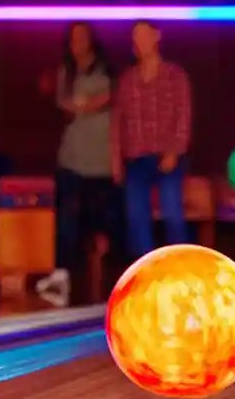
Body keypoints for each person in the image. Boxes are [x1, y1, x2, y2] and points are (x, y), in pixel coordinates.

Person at [36, 22, 118, 306]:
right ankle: (61, 275)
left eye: (82, 38)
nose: (77, 44)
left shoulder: (106, 70)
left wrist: (86, 103)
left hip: (101, 160)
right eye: (73, 39)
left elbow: (108, 98)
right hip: (71, 158)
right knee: (67, 219)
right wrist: (78, 104)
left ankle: (108, 283)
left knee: (101, 223)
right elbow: (63, 104)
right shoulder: (66, 72)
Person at [112, 20, 193, 260]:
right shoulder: (127, 80)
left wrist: (174, 152)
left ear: (157, 36)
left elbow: (183, 116)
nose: (139, 42)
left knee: (173, 213)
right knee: (136, 216)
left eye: (144, 36)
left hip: (166, 156)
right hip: (136, 158)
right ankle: (147, 266)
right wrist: (115, 160)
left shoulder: (175, 76)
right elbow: (117, 123)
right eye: (135, 38)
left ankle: (179, 264)